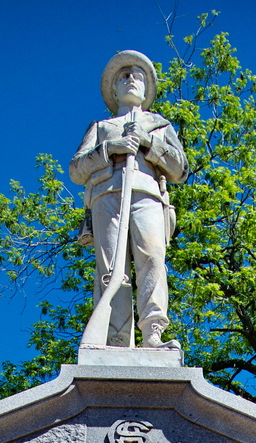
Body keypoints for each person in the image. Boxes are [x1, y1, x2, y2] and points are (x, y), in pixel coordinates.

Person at [70, 50, 188, 349]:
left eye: (137, 76)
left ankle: (153, 333)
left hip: (148, 194)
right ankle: (117, 339)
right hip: (107, 196)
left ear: (146, 90)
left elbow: (180, 169)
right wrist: (110, 148)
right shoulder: (101, 128)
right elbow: (76, 169)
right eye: (124, 76)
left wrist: (149, 142)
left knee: (153, 259)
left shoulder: (159, 125)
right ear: (114, 90)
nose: (130, 79)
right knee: (111, 270)